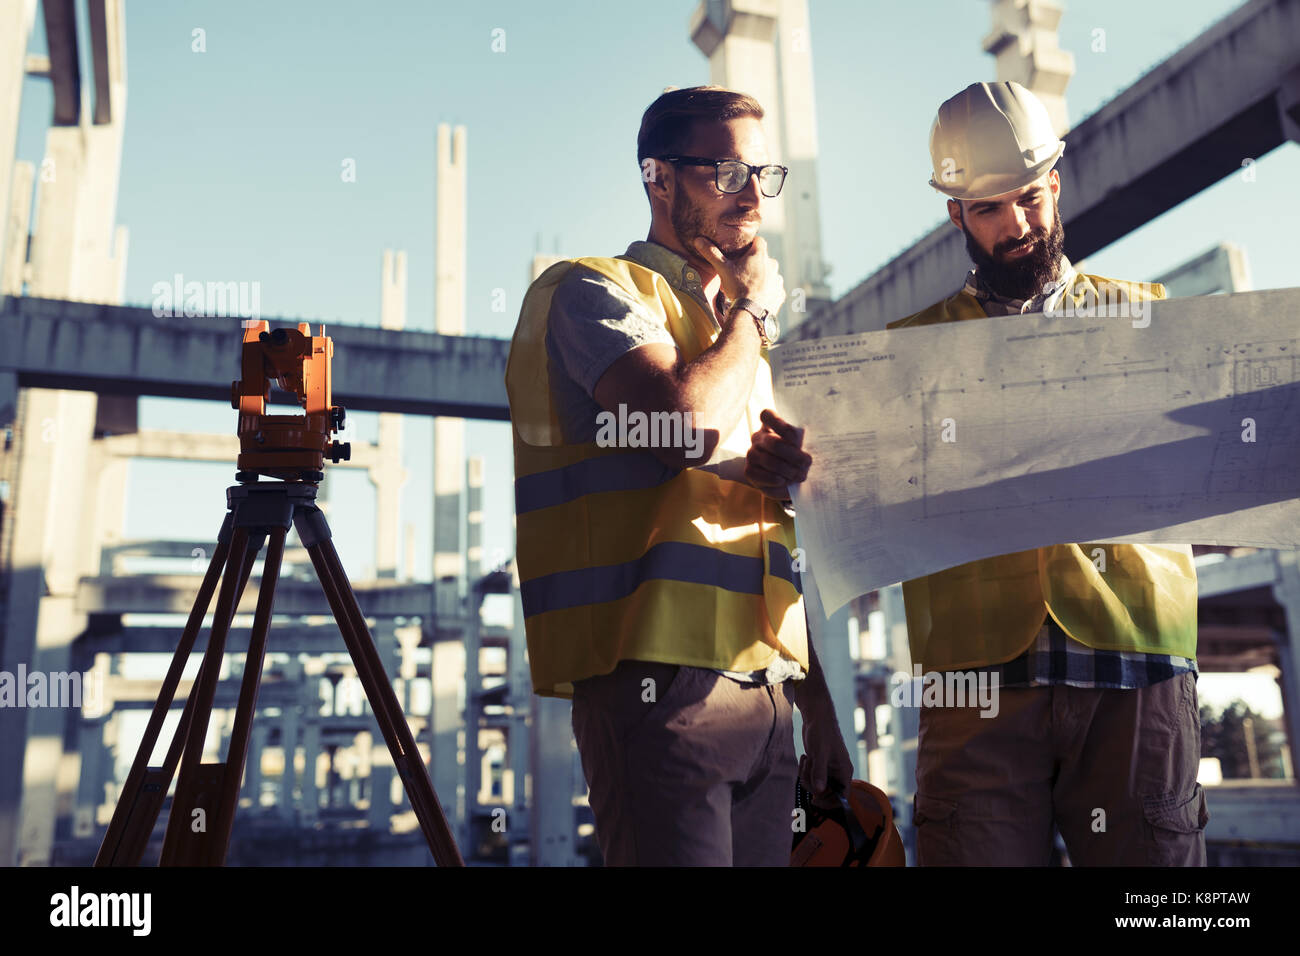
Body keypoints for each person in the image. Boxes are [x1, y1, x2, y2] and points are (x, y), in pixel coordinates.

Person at [504, 86, 853, 866]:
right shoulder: (593, 291)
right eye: (726, 171)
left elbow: (772, 548)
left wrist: (815, 706)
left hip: (764, 700)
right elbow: (682, 424)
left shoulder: (738, 350)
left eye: (763, 172)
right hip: (655, 688)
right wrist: (756, 310)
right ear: (657, 177)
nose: (753, 194)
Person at [889, 81, 1208, 866]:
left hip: (1135, 666)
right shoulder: (905, 356)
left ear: (1055, 186)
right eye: (991, 209)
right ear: (956, 215)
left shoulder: (1148, 318)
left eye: (1030, 199)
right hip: (975, 682)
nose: (1018, 226)